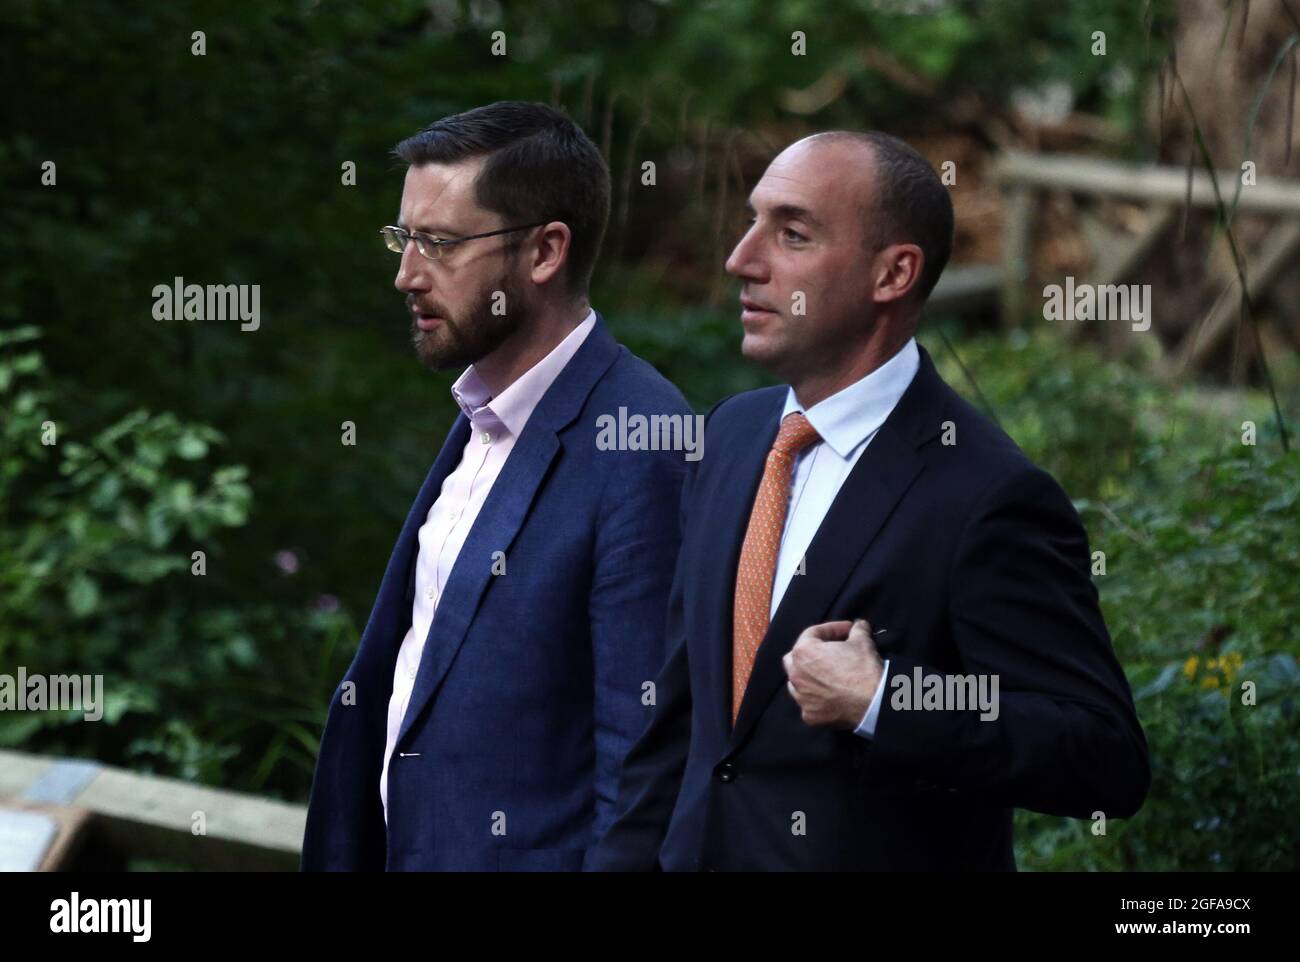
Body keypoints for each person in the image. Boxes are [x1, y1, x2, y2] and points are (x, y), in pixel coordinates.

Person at [592, 131, 1150, 871]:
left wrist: (889, 699)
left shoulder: (989, 493)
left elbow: (1104, 756)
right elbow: (678, 723)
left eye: (791, 233)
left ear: (893, 274)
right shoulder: (730, 434)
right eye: (751, 221)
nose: (741, 259)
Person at [303, 101, 692, 871]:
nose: (405, 273)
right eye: (403, 237)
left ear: (546, 251)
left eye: (439, 244)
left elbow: (642, 771)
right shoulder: (483, 411)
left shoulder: (643, 439)